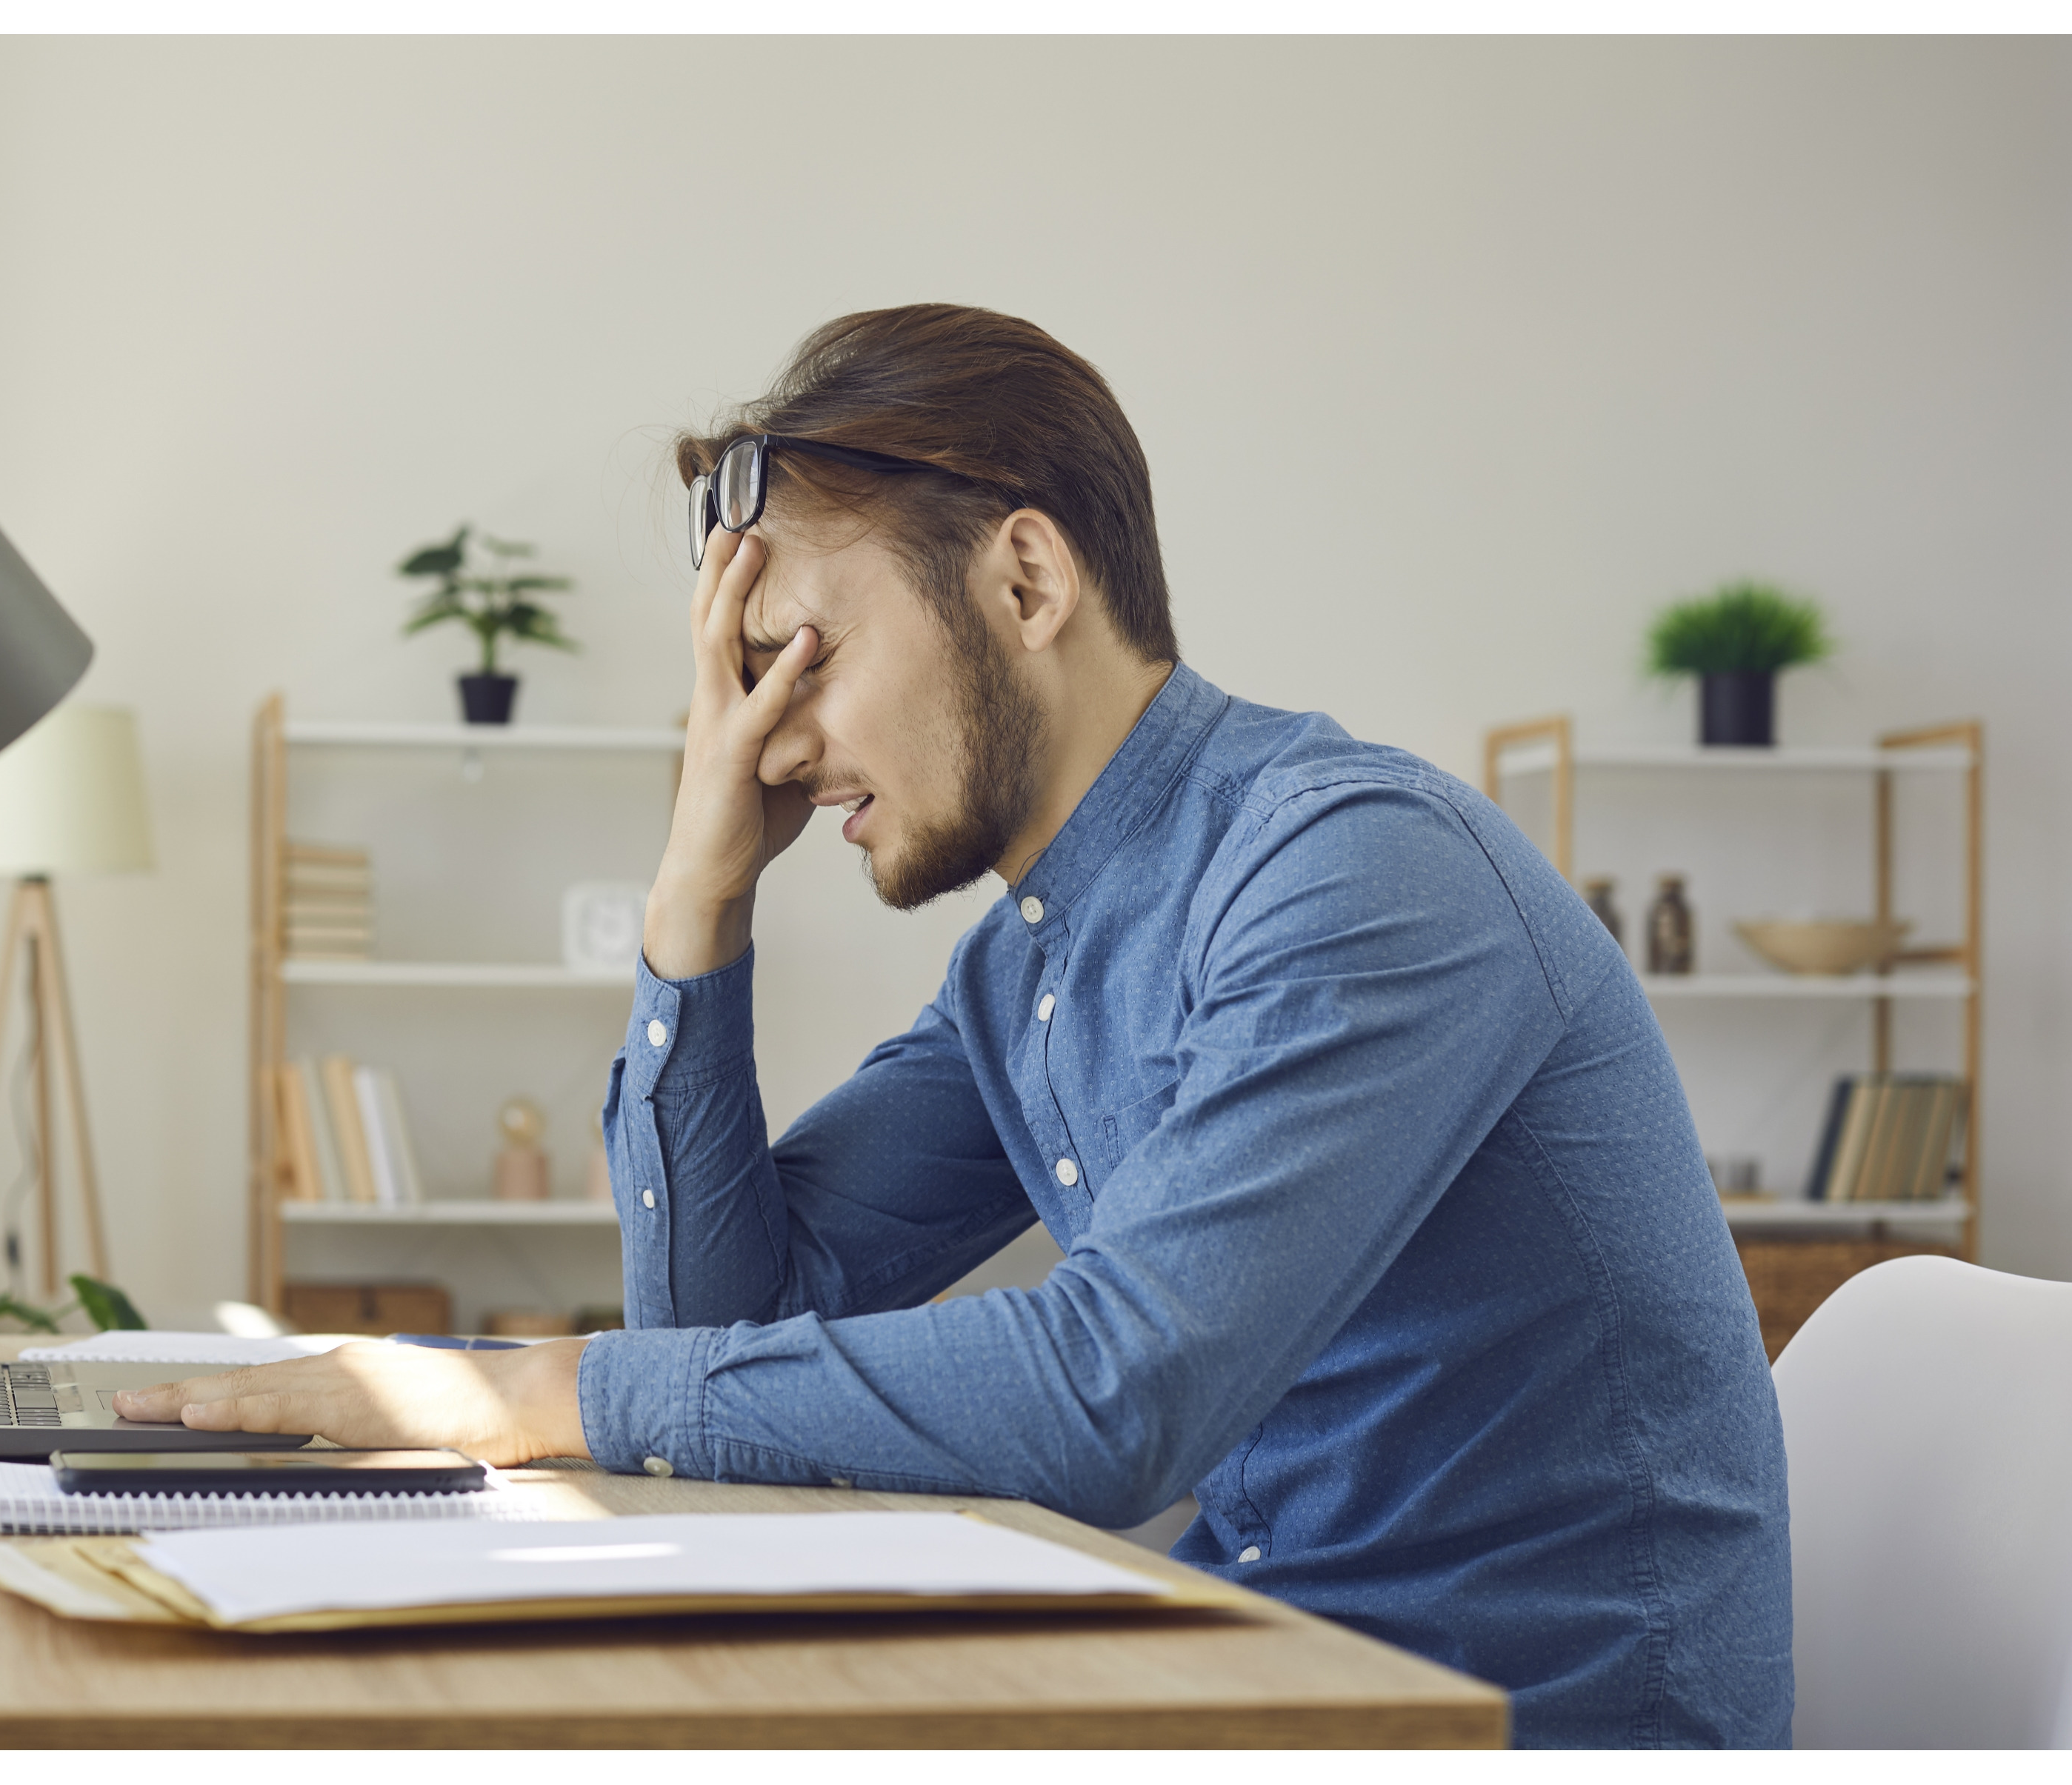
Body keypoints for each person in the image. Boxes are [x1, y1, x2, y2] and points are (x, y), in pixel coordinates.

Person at [117, 304, 1791, 1747]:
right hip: (1277, 1676)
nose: (771, 745)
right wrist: (696, 897)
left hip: (1522, 1722)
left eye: (800, 662)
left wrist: (524, 1391)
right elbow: (720, 1321)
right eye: (743, 689)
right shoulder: (1024, 967)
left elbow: (1113, 1394)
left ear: (1023, 572)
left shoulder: (1352, 869)